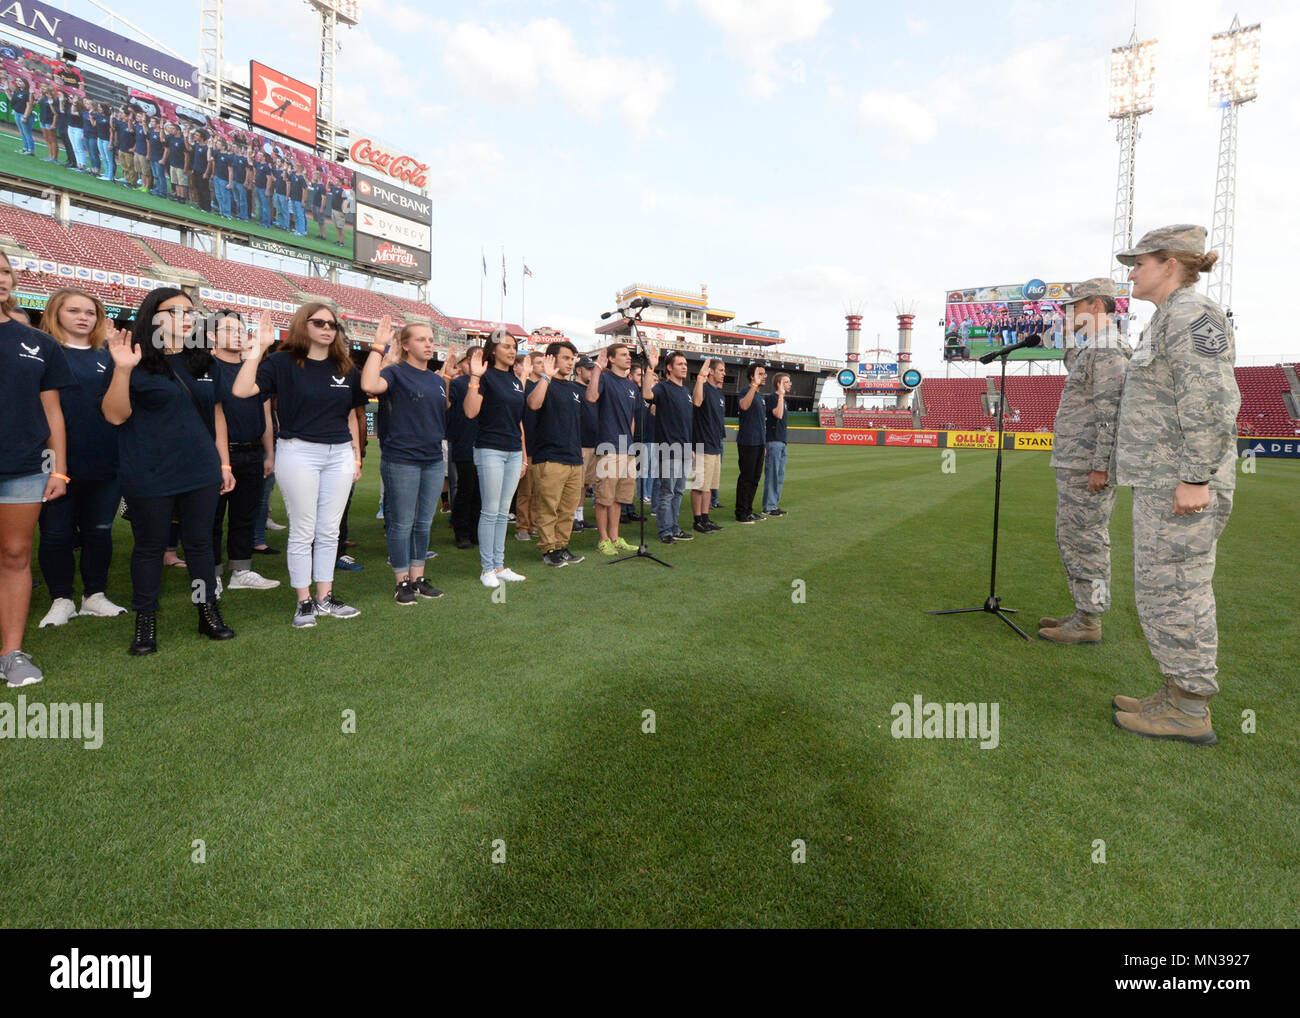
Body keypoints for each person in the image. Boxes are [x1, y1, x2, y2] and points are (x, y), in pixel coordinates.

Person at [1109, 226, 1240, 746]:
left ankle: (1189, 709)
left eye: (1139, 262)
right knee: (1162, 589)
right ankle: (1174, 691)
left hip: (1181, 485)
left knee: (1179, 591)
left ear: (1170, 263)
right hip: (1164, 481)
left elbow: (1210, 401)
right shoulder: (1168, 318)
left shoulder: (1191, 315)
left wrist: (1194, 477)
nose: (1131, 271)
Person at [100, 288, 235, 655]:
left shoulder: (204, 362)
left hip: (201, 469)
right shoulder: (133, 359)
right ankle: (145, 621)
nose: (186, 316)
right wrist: (123, 370)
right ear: (153, 317)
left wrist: (223, 462)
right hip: (149, 469)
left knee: (200, 545)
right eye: (174, 311)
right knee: (149, 547)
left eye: (190, 311)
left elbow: (217, 415)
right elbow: (115, 415)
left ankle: (207, 612)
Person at [232, 305, 365, 627]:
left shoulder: (345, 367)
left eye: (332, 324)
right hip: (299, 451)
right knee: (304, 530)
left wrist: (356, 455)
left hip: (339, 454)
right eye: (318, 322)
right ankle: (303, 601)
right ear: (302, 325)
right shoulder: (281, 362)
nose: (326, 328)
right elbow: (241, 391)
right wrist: (259, 348)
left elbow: (351, 414)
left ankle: (325, 597)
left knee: (329, 531)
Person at [1038, 278, 1132, 645]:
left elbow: (1111, 411)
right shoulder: (1096, 346)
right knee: (1074, 537)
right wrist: (1066, 337)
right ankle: (1083, 611)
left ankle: (1090, 621)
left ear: (1095, 305)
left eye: (1073, 307)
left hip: (1087, 463)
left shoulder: (1108, 347)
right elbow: (1077, 366)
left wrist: (1102, 465)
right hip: (1077, 460)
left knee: (1087, 540)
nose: (1068, 314)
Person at [35, 288, 129, 628]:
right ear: (56, 313)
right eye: (73, 310)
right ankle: (61, 599)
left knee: (99, 531)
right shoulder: (44, 351)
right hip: (54, 462)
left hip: (105, 457)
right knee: (56, 534)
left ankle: (94, 595)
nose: (83, 317)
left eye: (90, 312)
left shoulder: (108, 355)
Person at [0, 252, 71, 686]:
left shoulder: (39, 344)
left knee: (14, 555)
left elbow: (53, 413)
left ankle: (11, 652)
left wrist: (59, 469)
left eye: (4, 271)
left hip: (23, 468)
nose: (0, 278)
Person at [363, 316, 456, 603]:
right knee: (401, 523)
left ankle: (418, 577)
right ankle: (401, 581)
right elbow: (368, 384)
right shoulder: (395, 372)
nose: (428, 344)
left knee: (423, 523)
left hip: (431, 459)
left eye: (430, 339)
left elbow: (441, 410)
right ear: (405, 345)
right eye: (420, 339)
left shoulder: (435, 379)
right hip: (401, 458)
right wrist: (378, 347)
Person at [208, 312, 279, 592]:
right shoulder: (206, 367)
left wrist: (269, 454)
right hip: (216, 456)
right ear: (212, 336)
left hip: (252, 454)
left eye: (241, 329)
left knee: (244, 516)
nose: (238, 334)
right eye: (229, 329)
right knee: (211, 517)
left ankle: (241, 571)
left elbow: (265, 416)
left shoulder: (254, 369)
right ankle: (210, 574)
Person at [462, 331, 528, 587]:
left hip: (513, 451)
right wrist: (475, 378)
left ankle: (499, 565)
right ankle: (486, 568)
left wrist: (523, 456)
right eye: (506, 347)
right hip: (490, 448)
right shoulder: (485, 375)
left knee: (502, 512)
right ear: (493, 349)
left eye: (514, 347)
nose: (512, 351)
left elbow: (518, 421)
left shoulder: (514, 380)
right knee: (490, 511)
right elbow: (470, 412)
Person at [527, 340, 586, 567]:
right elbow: (533, 404)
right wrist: (546, 376)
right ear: (552, 359)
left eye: (572, 359)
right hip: (549, 457)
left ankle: (561, 546)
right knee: (548, 507)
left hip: (573, 458)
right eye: (566, 358)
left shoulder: (573, 389)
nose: (570, 363)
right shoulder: (542, 384)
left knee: (568, 508)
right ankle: (548, 549)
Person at [584, 343, 639, 556]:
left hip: (627, 449)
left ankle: (615, 537)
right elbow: (591, 397)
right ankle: (603, 539)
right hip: (608, 445)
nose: (628, 358)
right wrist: (598, 367)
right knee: (605, 497)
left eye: (629, 355)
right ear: (612, 359)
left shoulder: (632, 386)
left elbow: (632, 418)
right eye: (623, 355)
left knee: (619, 498)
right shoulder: (605, 378)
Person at [642, 348, 695, 544]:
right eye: (680, 364)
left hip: (685, 449)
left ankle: (674, 527)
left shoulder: (686, 391)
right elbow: (647, 394)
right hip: (668, 449)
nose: (684, 367)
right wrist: (650, 369)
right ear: (670, 368)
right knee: (667, 492)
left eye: (685, 364)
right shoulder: (663, 388)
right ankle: (665, 530)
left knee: (679, 492)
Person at [447, 348, 481, 549]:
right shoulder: (458, 383)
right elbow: (446, 406)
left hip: (485, 444)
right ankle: (462, 532)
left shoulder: (487, 384)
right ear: (467, 361)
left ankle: (476, 532)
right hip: (464, 444)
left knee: (480, 492)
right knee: (465, 490)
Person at [689, 357, 726, 533]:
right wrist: (700, 379)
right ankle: (697, 521)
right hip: (702, 444)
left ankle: (705, 518)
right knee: (699, 485)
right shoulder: (703, 388)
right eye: (721, 370)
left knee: (709, 486)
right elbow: (696, 402)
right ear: (711, 371)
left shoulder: (719, 393)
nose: (724, 374)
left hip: (715, 445)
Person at [515, 352, 544, 541]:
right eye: (539, 363)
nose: (542, 366)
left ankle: (533, 524)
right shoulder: (523, 386)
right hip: (526, 443)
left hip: (542, 445)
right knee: (526, 491)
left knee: (538, 490)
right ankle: (522, 527)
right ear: (530, 365)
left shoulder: (545, 386)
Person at [734, 363, 768, 523]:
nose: (764, 376)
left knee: (755, 478)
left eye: (764, 373)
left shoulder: (761, 396)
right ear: (751, 376)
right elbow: (744, 406)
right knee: (746, 477)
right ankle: (741, 513)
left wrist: (764, 444)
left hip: (760, 442)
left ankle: (748, 509)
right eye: (760, 373)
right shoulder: (745, 391)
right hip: (747, 441)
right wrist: (753, 386)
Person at [572, 355, 598, 533]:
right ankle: (572, 517)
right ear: (579, 369)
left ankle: (579, 516)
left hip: (594, 442)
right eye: (589, 369)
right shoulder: (572, 388)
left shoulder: (593, 389)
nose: (592, 372)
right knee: (576, 484)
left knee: (586, 484)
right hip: (579, 444)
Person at [762, 372, 791, 517]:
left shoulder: (783, 400)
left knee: (779, 475)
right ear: (779, 384)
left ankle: (773, 505)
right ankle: (769, 506)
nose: (789, 384)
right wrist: (780, 395)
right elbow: (778, 415)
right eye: (786, 382)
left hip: (781, 441)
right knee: (772, 475)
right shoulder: (773, 398)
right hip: (773, 441)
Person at [165, 121, 189, 203]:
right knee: (175, 182)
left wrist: (185, 167)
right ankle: (178, 195)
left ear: (178, 131)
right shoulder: (171, 138)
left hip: (180, 164)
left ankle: (183, 197)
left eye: (173, 129)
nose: (171, 130)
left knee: (182, 182)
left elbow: (186, 155)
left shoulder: (182, 141)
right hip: (173, 163)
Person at [11, 76, 35, 155]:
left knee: (27, 133)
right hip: (17, 113)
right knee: (22, 132)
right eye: (17, 81)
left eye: (20, 81)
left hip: (24, 115)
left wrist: (25, 116)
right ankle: (25, 148)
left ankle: (31, 150)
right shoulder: (17, 92)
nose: (18, 82)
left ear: (25, 83)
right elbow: (12, 100)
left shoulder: (27, 93)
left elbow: (29, 106)